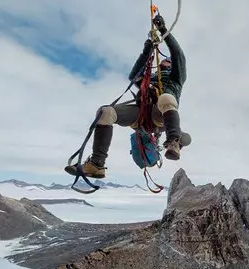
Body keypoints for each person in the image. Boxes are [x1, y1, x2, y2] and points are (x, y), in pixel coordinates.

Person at [65, 13, 189, 179]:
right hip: (141, 114)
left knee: (166, 98)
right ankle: (96, 164)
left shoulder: (176, 78)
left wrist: (163, 30)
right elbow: (134, 76)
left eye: (167, 61)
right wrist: (147, 49)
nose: (163, 62)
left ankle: (173, 140)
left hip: (160, 116)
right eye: (162, 61)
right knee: (106, 112)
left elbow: (178, 55)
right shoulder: (148, 79)